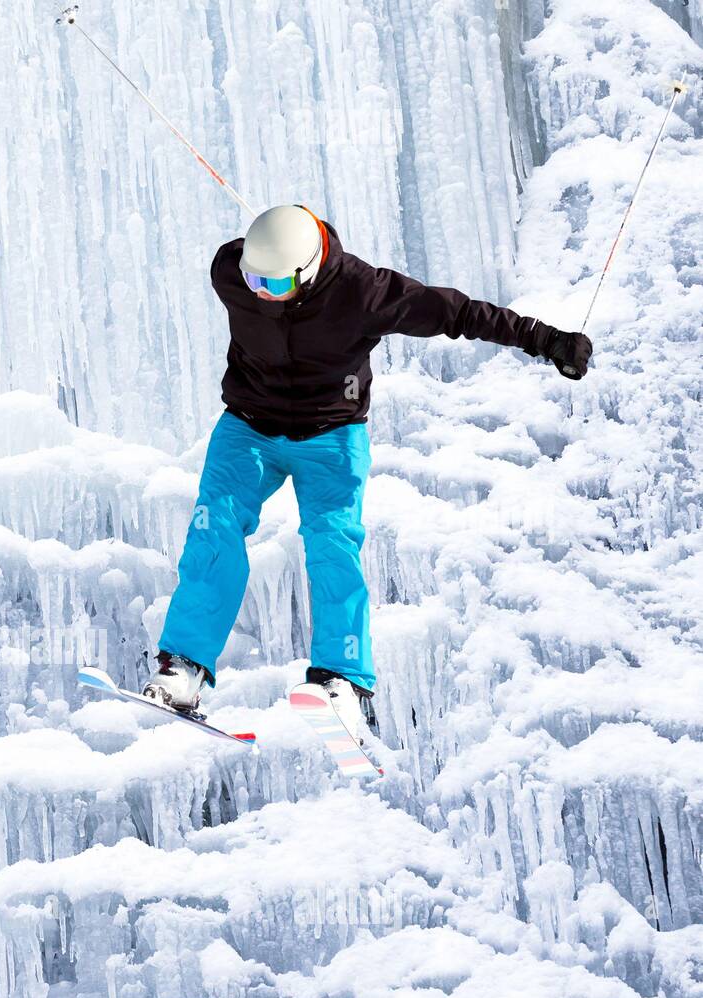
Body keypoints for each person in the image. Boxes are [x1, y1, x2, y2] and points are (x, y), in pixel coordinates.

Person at [143, 204, 592, 745]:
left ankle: (343, 684)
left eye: (274, 281)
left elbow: (460, 314)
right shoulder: (230, 271)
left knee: (332, 544)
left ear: (307, 272)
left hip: (330, 438)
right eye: (253, 278)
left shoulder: (365, 293)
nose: (260, 290)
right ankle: (184, 668)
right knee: (212, 528)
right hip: (248, 428)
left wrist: (546, 340)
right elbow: (254, 268)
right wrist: (258, 271)